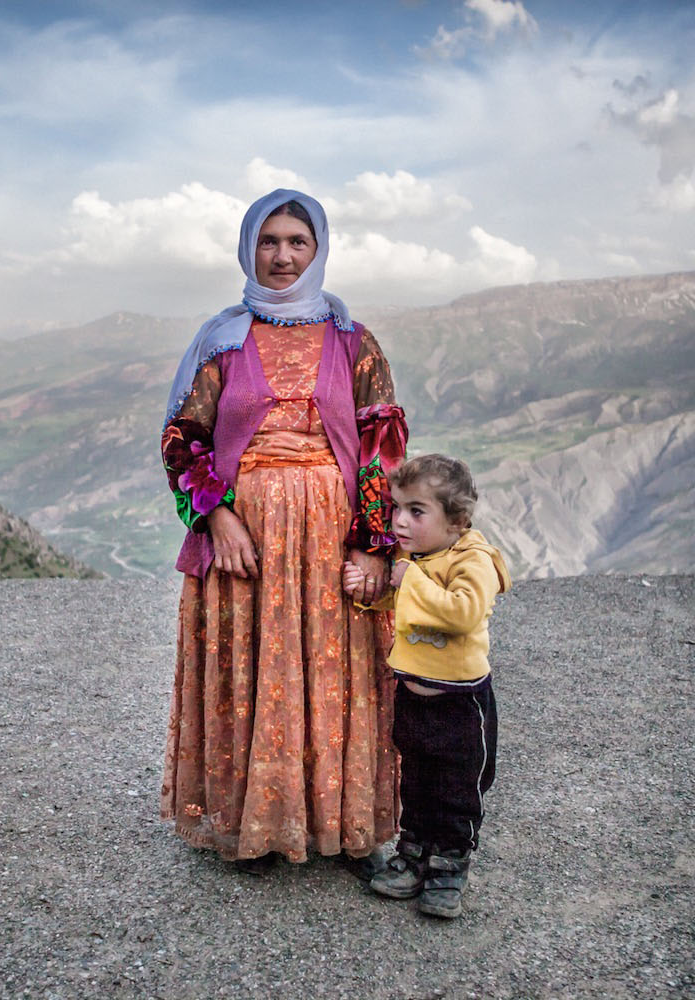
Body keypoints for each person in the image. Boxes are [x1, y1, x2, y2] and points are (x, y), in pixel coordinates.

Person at [160, 189, 407, 873]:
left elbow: (382, 451)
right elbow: (183, 439)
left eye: (297, 241)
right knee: (256, 672)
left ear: (319, 249)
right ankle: (258, 823)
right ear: (248, 248)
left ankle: (343, 825)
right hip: (249, 538)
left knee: (339, 673)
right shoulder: (223, 341)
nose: (282, 255)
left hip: (333, 534)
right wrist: (218, 517)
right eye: (269, 241)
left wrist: (372, 544)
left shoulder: (354, 341)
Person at [342, 453, 510, 917]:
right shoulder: (414, 559)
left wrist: (409, 579)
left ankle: (449, 866)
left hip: (460, 702)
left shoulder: (472, 559)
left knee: (457, 788)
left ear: (456, 520)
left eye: (417, 511)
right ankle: (412, 855)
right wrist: (367, 591)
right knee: (416, 782)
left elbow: (463, 612)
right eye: (396, 508)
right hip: (413, 695)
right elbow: (399, 602)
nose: (399, 520)